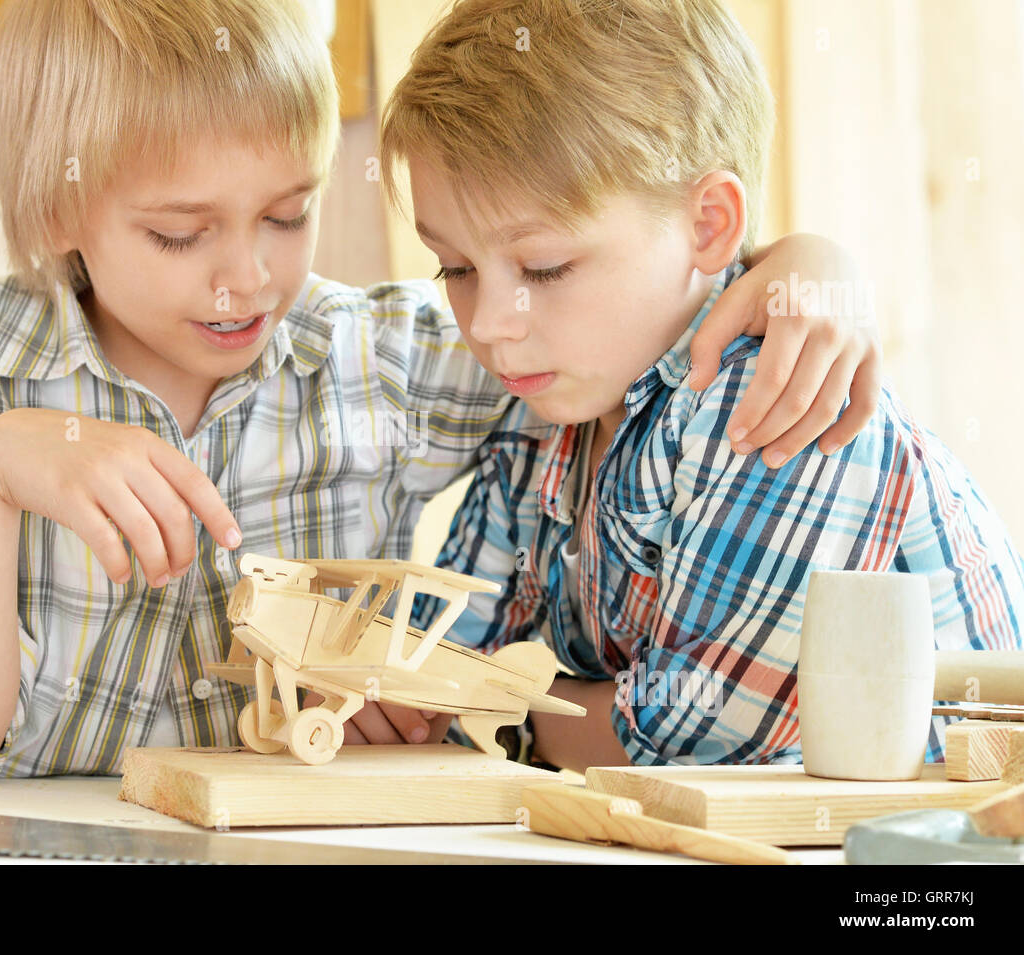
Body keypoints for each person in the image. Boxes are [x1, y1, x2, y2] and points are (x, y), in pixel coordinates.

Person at [0, 0, 884, 782]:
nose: (248, 276)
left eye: (287, 215)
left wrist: (803, 261)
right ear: (58, 214)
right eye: (180, 234)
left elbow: (618, 309)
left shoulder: (382, 356)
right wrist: (0, 476)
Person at [382, 0, 1024, 768]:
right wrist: (451, 696)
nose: (488, 323)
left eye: (544, 268)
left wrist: (506, 706)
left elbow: (700, 746)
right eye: (454, 268)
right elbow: (422, 677)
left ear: (709, 226)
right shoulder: (547, 409)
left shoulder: (782, 398)